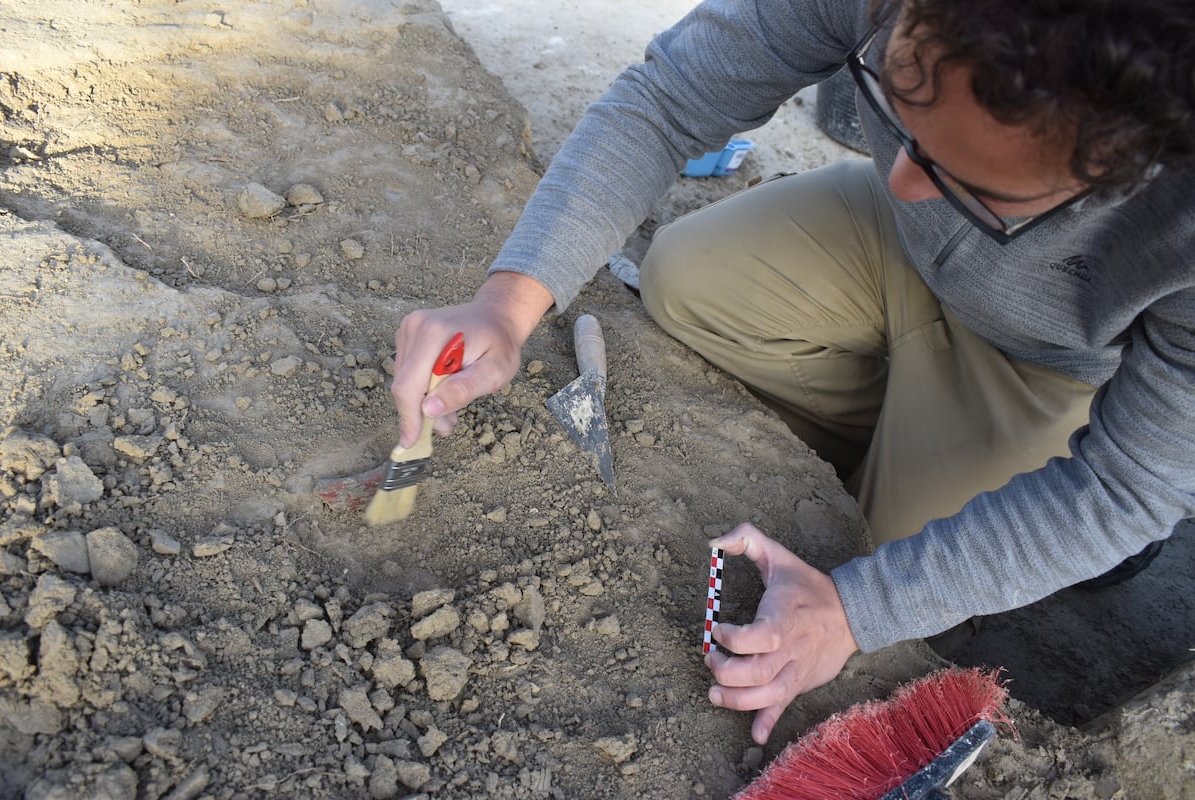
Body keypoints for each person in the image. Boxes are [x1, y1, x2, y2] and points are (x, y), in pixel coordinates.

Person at [388, 0, 1195, 745]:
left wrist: (854, 608)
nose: (910, 183)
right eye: (897, 111)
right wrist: (509, 301)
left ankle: (977, 474)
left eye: (977, 189)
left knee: (888, 562)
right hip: (885, 250)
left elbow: (1126, 487)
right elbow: (670, 97)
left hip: (1053, 363)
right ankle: (903, 419)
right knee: (687, 277)